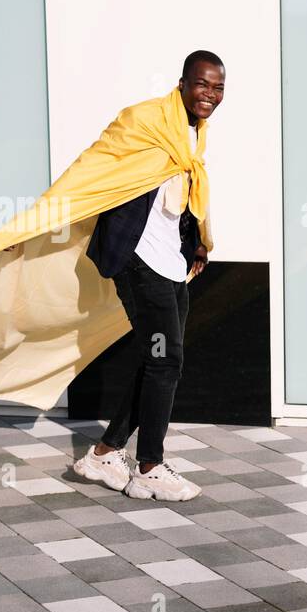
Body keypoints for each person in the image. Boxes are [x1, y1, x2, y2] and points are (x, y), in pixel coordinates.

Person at [71, 50, 225, 501]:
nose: (210, 95)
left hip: (171, 261)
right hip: (138, 260)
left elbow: (175, 193)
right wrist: (34, 222)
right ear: (181, 83)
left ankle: (103, 454)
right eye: (202, 84)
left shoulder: (193, 133)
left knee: (157, 360)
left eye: (218, 88)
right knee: (165, 362)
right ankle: (149, 467)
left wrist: (195, 239)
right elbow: (92, 169)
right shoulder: (143, 120)